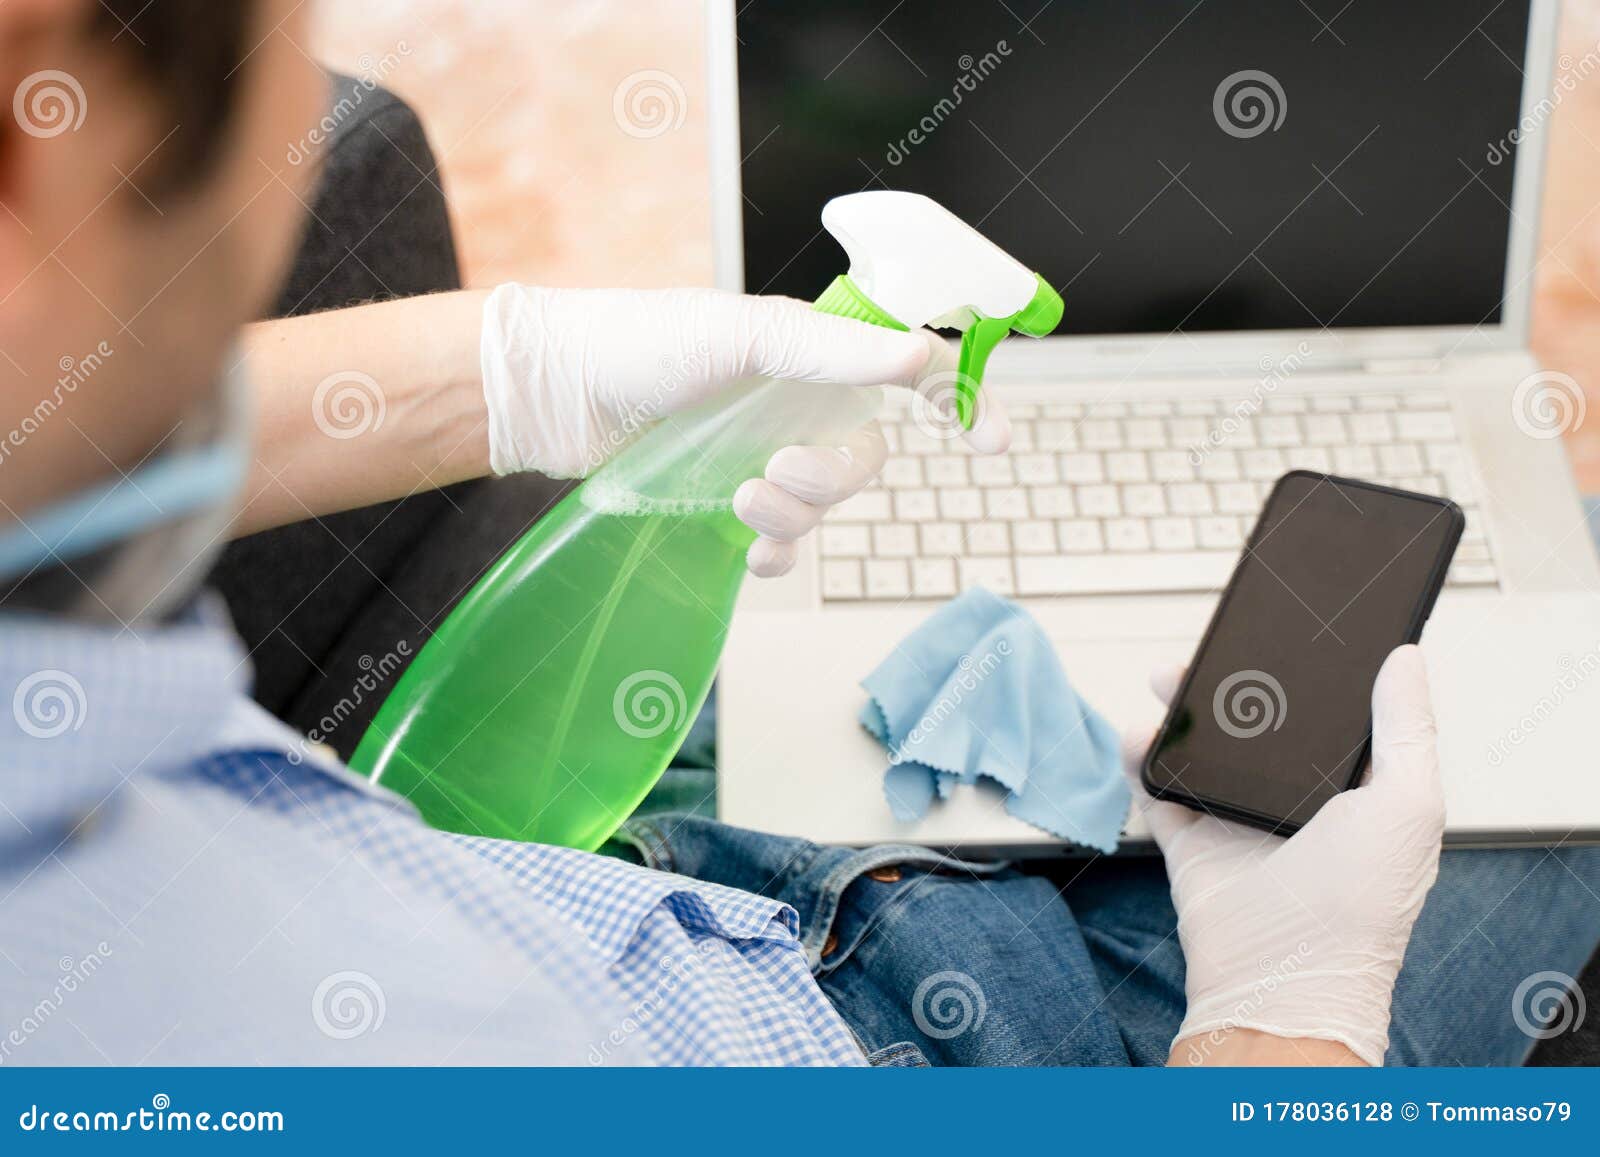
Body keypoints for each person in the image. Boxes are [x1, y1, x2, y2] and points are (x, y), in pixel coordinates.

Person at [1, 0, 1596, 1067]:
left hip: (573, 854)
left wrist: (513, 373)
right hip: (909, 1040)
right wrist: (1288, 1011)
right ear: (45, 110)